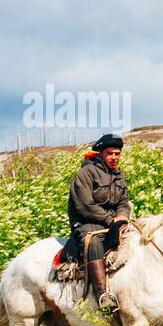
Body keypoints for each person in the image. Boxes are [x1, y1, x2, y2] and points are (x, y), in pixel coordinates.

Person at [69, 133, 132, 314]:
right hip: (87, 222)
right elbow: (84, 205)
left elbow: (123, 202)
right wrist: (110, 220)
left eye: (117, 154)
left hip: (111, 222)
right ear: (101, 154)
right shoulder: (86, 173)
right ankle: (102, 294)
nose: (114, 158)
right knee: (94, 242)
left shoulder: (119, 175)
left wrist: (122, 217)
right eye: (110, 153)